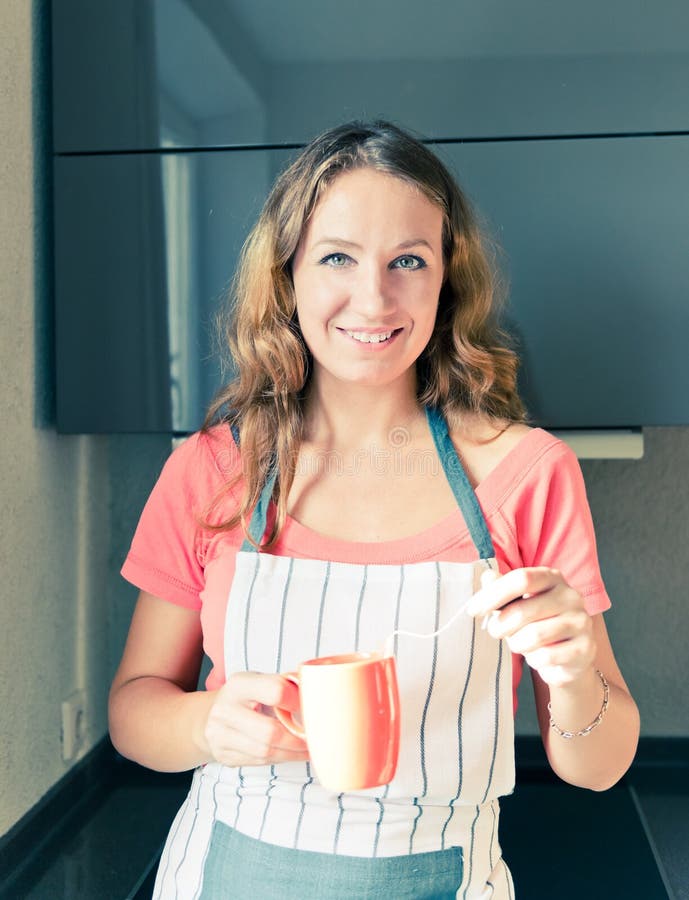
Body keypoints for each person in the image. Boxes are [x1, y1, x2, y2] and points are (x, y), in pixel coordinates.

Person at [109, 120, 640, 899]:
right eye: (336, 257)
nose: (373, 297)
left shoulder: (526, 473)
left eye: (408, 262)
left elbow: (598, 768)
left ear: (444, 282)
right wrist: (202, 725)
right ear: (287, 276)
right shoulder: (213, 469)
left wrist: (572, 674)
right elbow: (133, 712)